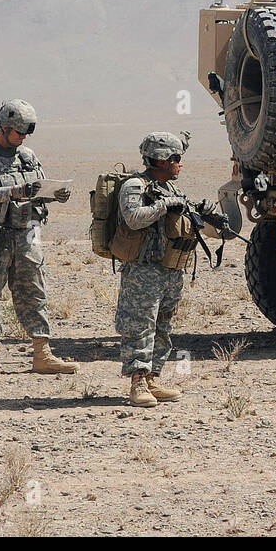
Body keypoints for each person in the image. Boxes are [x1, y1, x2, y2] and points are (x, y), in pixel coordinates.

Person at [0, 99, 78, 378]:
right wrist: (15, 191)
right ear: (4, 127)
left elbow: (39, 186)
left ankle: (42, 354)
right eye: (18, 132)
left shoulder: (27, 155)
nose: (23, 137)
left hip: (27, 234)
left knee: (34, 292)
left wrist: (56, 193)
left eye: (26, 133)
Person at [114, 131, 223, 407]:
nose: (180, 164)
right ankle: (137, 382)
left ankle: (152, 377)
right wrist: (164, 206)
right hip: (144, 271)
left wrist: (201, 211)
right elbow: (133, 218)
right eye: (176, 158)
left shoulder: (171, 189)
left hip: (170, 270)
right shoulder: (136, 186)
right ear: (162, 160)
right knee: (140, 325)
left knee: (163, 324)